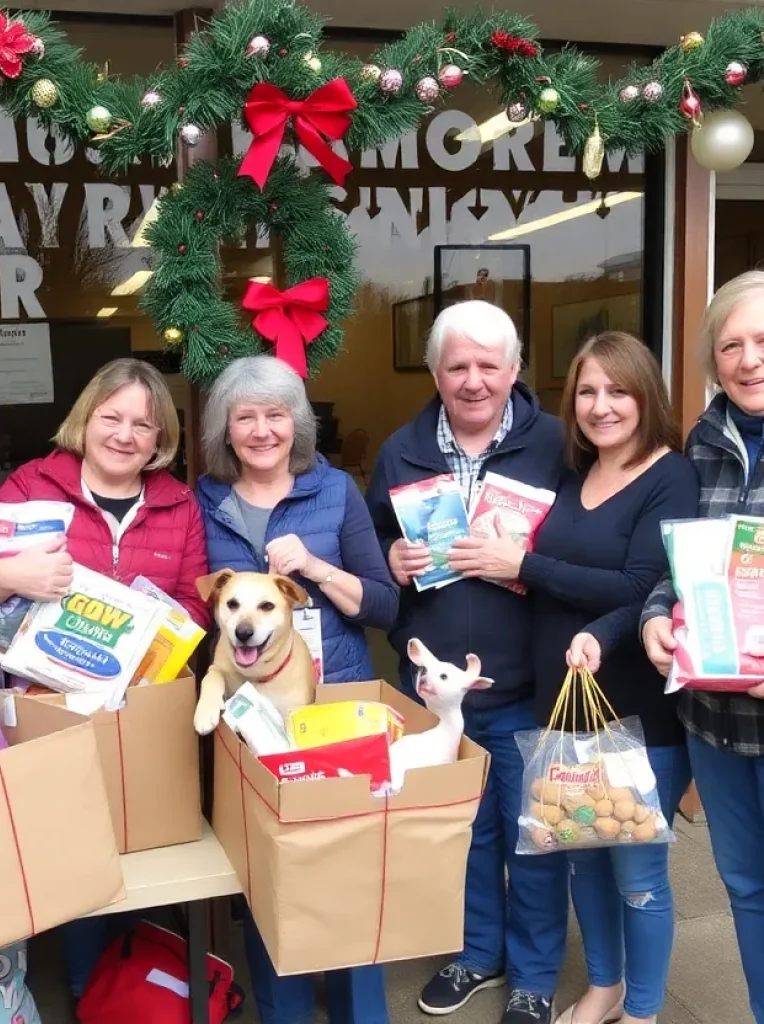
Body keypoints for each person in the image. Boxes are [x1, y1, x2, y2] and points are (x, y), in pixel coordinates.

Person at [451, 332, 699, 1024]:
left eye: (617, 390)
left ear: (645, 393)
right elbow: (549, 568)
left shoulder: (669, 474)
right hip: (561, 705)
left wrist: (523, 568)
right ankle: (604, 987)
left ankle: (644, 1009)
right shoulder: (572, 474)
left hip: (636, 709)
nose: (601, 406)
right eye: (587, 391)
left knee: (638, 872)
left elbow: (642, 584)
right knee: (582, 857)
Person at [0, 356, 209, 1002]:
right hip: (48, 710)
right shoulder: (31, 486)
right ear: (85, 420)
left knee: (143, 852)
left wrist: (156, 649)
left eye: (143, 425)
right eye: (111, 417)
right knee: (69, 857)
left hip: (139, 716)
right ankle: (93, 990)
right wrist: (8, 577)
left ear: (160, 438)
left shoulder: (178, 502)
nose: (125, 435)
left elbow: (196, 604)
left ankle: (135, 985)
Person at [365, 300, 567, 1024]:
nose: (474, 380)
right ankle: (480, 952)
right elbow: (372, 545)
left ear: (516, 369)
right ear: (436, 372)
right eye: (458, 366)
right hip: (437, 691)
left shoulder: (558, 444)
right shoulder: (401, 448)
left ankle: (535, 975)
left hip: (526, 684)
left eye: (489, 365)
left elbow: (589, 549)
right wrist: (388, 559)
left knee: (534, 835)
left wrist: (529, 562)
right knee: (465, 833)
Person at [198, 354, 398, 1024]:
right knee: (269, 873)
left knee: (347, 869)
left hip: (329, 705)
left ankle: (359, 1015)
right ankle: (282, 1010)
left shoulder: (335, 491)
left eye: (276, 414)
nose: (261, 429)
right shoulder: (202, 500)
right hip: (247, 719)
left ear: (297, 423)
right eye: (245, 415)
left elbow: (382, 604)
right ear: (225, 429)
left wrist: (313, 567)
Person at [641, 270, 764, 1024]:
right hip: (717, 722)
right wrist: (659, 613)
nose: (750, 359)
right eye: (732, 345)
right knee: (746, 887)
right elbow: (678, 562)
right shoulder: (704, 440)